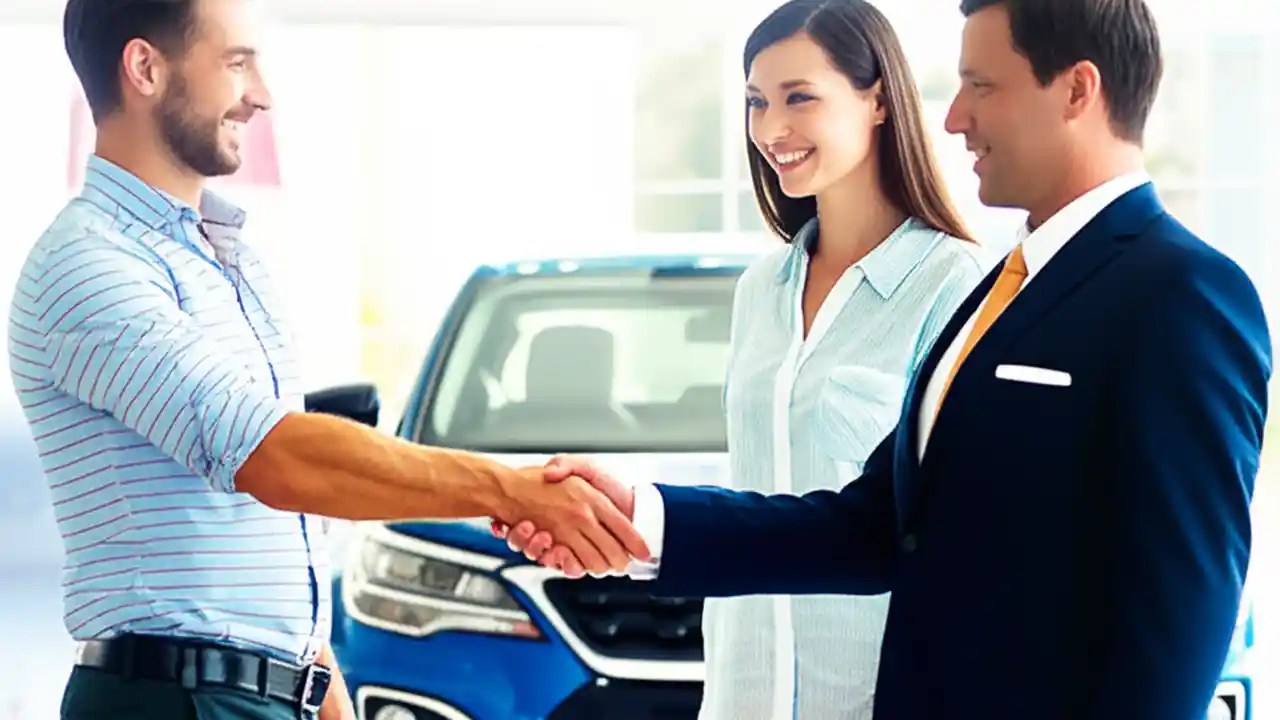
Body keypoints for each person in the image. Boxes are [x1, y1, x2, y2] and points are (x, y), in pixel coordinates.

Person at [498, 0, 1272, 718]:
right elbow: (872, 528)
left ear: (1076, 91)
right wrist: (642, 518)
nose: (954, 117)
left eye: (981, 86)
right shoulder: (1001, 294)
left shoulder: (1182, 293)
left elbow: (1183, 623)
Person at [8, 1, 647, 719]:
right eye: (236, 63)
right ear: (145, 68)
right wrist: (512, 490)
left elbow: (273, 534)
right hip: (175, 699)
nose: (260, 95)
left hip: (257, 695)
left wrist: (322, 689)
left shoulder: (230, 261)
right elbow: (277, 458)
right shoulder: (89, 266)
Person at [497, 1, 988, 717]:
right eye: (757, 102)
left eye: (799, 98)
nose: (771, 129)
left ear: (878, 100)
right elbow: (753, 487)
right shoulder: (761, 289)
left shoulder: (958, 287)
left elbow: (947, 534)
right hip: (742, 694)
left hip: (873, 698)